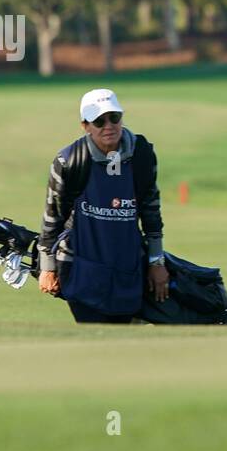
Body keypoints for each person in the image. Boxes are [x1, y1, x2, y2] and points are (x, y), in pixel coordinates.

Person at [36, 89, 168, 323]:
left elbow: (151, 211)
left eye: (114, 118)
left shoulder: (142, 155)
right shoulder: (69, 160)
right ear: (85, 126)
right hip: (80, 266)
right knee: (93, 334)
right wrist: (47, 266)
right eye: (99, 121)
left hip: (128, 267)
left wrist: (156, 262)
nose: (108, 126)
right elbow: (52, 215)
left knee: (123, 340)